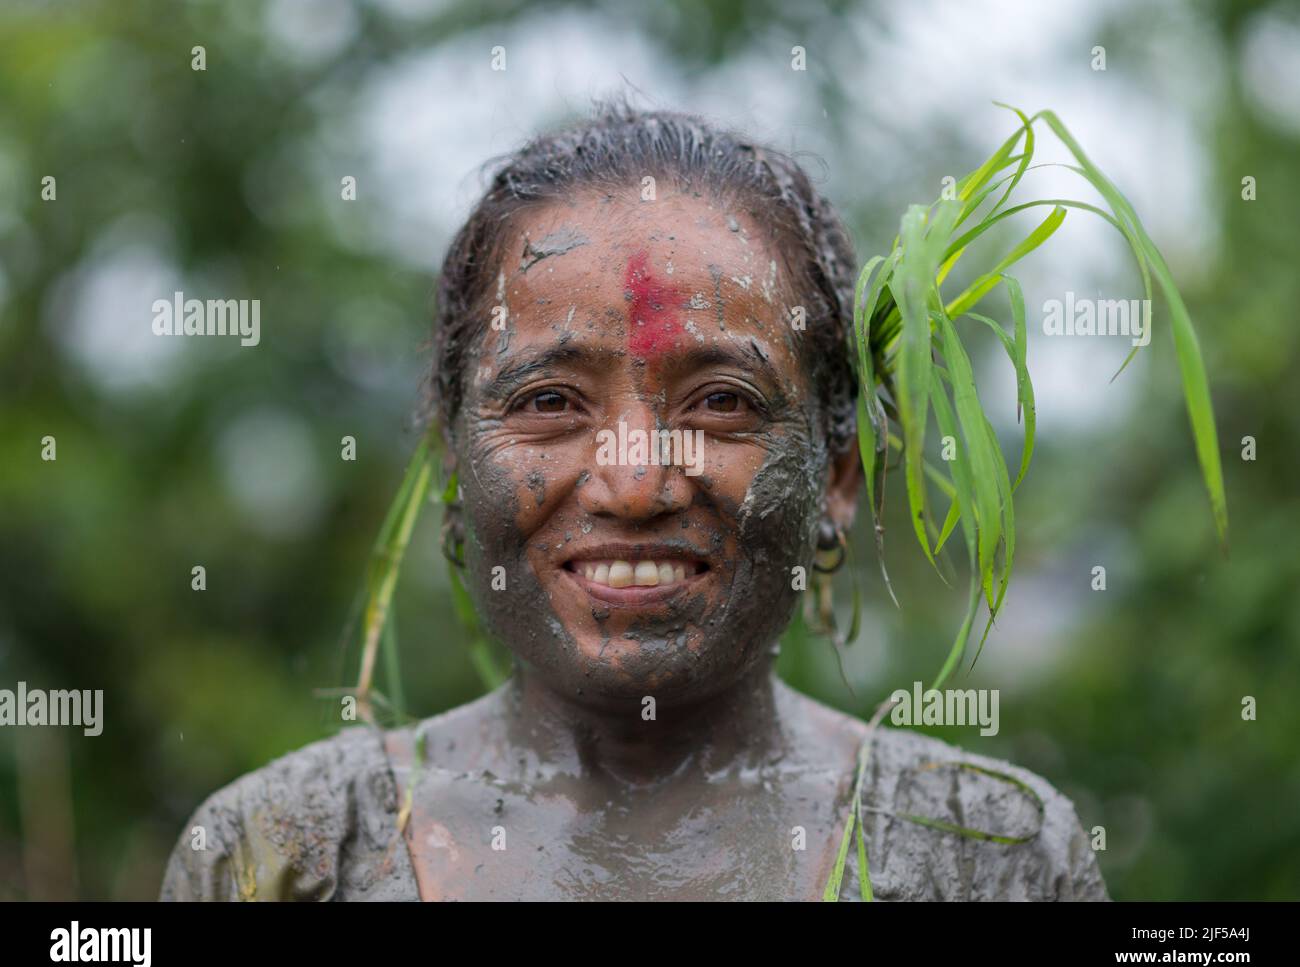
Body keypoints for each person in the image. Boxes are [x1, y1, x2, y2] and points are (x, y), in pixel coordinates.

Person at [160, 103, 1109, 902]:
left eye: (722, 402)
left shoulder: (991, 857)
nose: (637, 482)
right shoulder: (281, 856)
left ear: (836, 475)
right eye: (549, 403)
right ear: (455, 467)